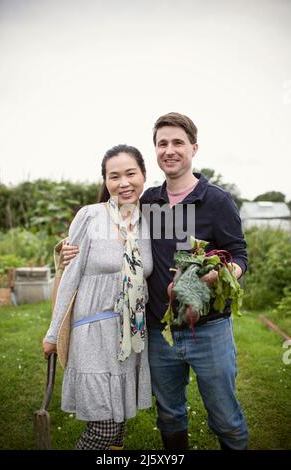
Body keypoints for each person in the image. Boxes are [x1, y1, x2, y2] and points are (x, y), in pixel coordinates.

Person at [62, 112, 248, 451]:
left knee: (225, 419)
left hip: (209, 330)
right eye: (162, 143)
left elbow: (239, 254)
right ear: (156, 152)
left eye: (178, 142)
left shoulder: (217, 201)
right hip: (159, 332)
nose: (170, 150)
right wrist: (66, 248)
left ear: (194, 147)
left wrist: (220, 274)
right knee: (170, 415)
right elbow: (108, 222)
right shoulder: (149, 201)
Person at [43, 144, 153, 450]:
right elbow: (69, 276)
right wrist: (53, 333)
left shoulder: (149, 222)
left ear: (144, 175)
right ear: (105, 181)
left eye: (131, 173)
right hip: (94, 335)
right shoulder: (91, 215)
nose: (123, 183)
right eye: (114, 176)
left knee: (117, 430)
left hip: (131, 338)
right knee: (103, 430)